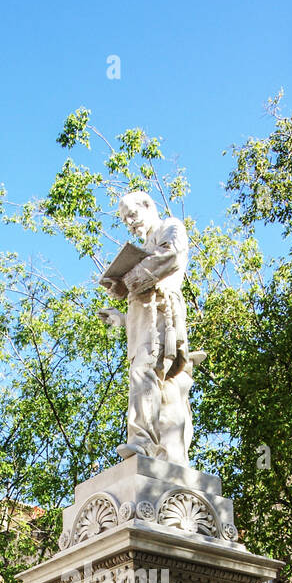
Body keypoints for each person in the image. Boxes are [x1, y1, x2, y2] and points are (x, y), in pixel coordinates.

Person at [99, 191, 199, 467]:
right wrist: (119, 318)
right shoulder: (145, 245)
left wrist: (127, 279)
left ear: (148, 206)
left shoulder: (169, 226)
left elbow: (173, 255)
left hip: (162, 313)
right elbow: (138, 306)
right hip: (143, 321)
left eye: (132, 214)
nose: (130, 223)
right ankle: (167, 454)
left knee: (145, 372)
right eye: (124, 219)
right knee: (162, 386)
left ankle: (142, 442)